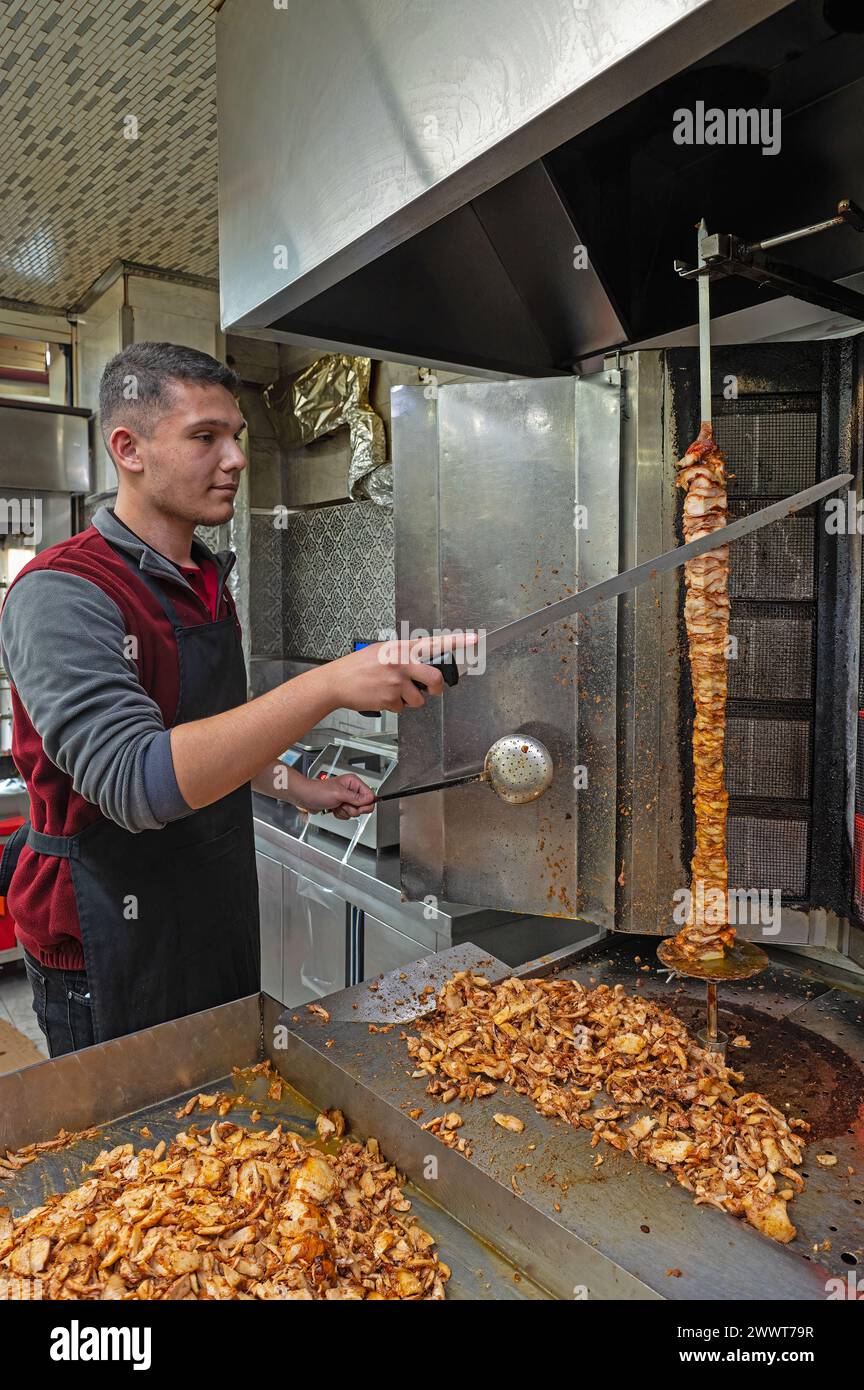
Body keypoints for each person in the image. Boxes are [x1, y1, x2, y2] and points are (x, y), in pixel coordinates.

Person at [0, 342, 469, 1055]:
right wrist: (329, 684)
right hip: (107, 935)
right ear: (129, 447)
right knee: (142, 1152)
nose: (236, 460)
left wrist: (301, 788)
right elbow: (136, 781)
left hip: (214, 909)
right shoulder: (62, 591)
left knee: (228, 1133)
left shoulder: (205, 579)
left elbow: (211, 738)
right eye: (204, 437)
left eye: (237, 438)